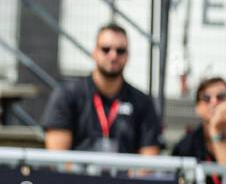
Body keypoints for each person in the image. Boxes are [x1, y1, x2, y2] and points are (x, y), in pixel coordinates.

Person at [42, 24, 162, 154]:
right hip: (78, 174)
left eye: (120, 50)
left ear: (127, 56)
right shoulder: (67, 94)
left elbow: (149, 159)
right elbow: (58, 157)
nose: (113, 56)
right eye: (106, 49)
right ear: (94, 53)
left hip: (125, 174)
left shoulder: (142, 102)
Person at [172, 76, 226, 184]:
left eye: (221, 97)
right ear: (198, 107)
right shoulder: (186, 146)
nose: (214, 103)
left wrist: (216, 132)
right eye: (206, 98)